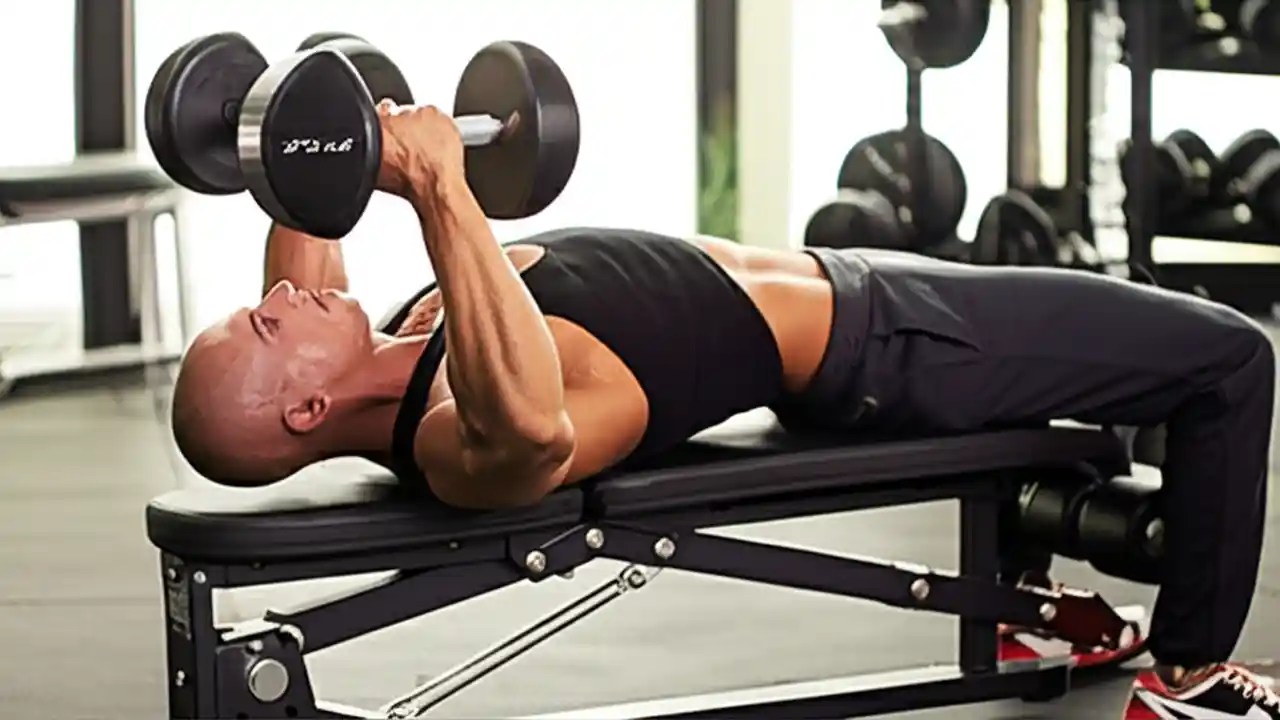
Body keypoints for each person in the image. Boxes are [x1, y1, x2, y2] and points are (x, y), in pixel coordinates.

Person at [170, 101, 1278, 719]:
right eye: (264, 324)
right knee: (1227, 358)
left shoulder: (401, 331)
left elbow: (309, 202)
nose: (279, 297)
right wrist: (439, 186)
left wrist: (283, 120)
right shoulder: (461, 428)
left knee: (1124, 343)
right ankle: (1188, 675)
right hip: (897, 344)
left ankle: (1048, 575)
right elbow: (534, 431)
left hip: (865, 289)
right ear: (308, 410)